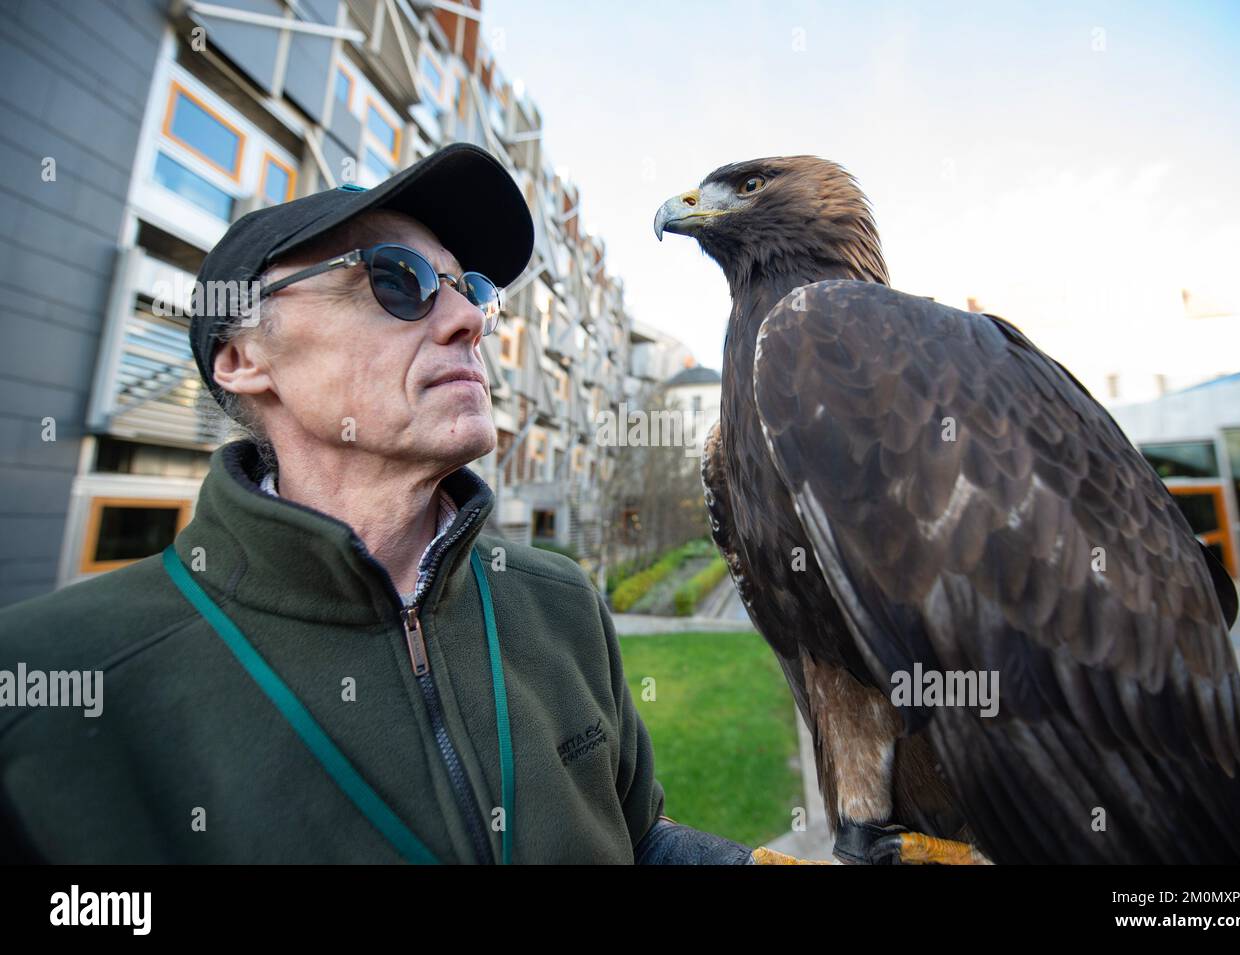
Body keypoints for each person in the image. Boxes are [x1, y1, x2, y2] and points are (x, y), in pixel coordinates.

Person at [0, 142, 795, 864]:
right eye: (394, 279)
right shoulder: (52, 682)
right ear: (243, 357)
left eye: (472, 289)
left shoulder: (560, 603)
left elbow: (638, 839)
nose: (467, 320)